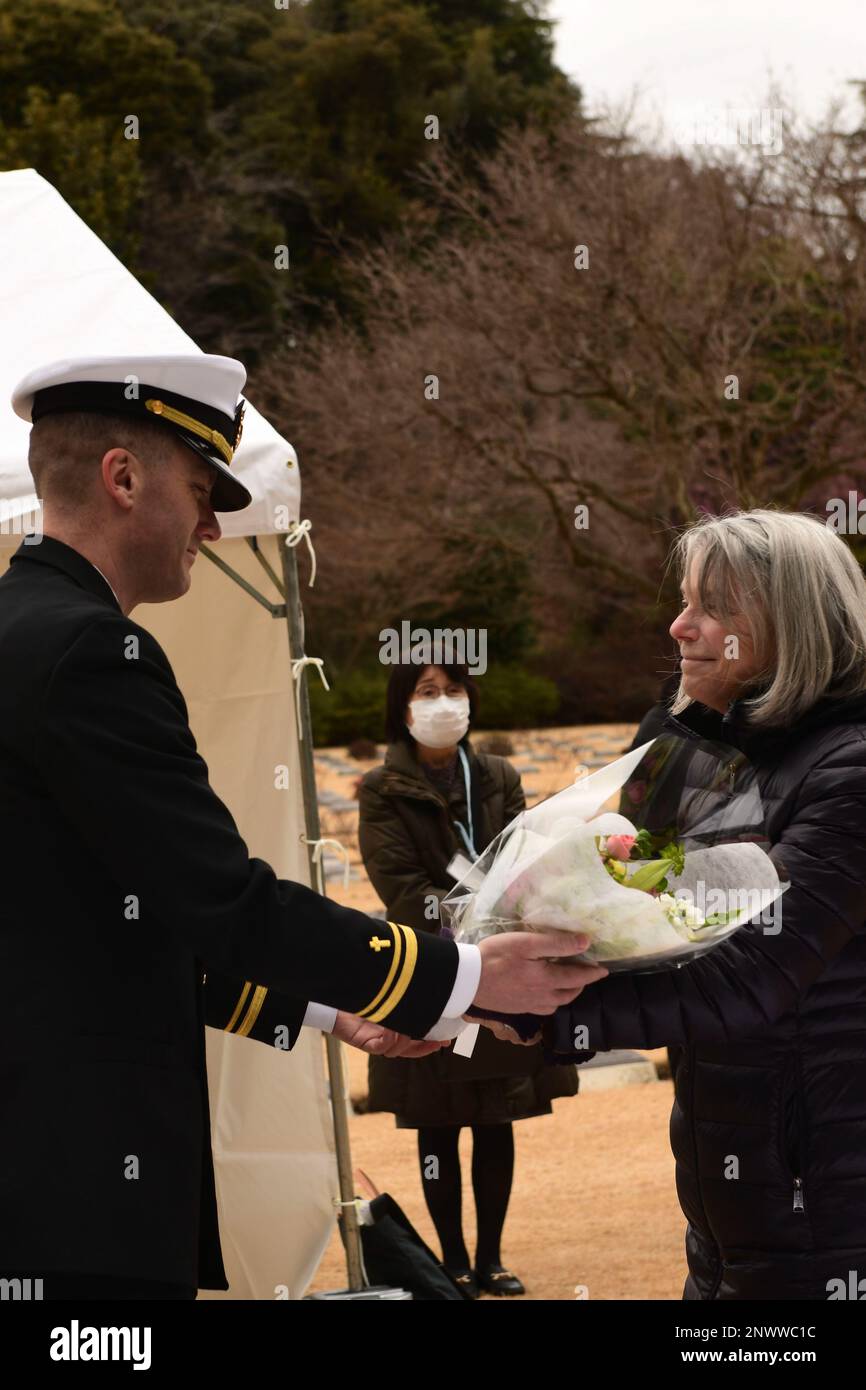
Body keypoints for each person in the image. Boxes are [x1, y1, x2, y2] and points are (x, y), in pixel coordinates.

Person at [0, 353, 607, 1300]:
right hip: (70, 1193)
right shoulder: (91, 648)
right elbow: (221, 902)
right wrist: (472, 976)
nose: (211, 524)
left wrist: (337, 1009)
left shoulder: (20, 627)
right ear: (122, 479)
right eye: (200, 491)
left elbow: (122, 927)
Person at [485, 508, 866, 1300]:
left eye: (711, 606)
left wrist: (537, 1011)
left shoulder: (850, 769)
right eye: (685, 599)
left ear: (787, 624)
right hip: (727, 1181)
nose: (679, 624)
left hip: (827, 1198)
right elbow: (629, 879)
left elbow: (752, 975)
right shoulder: (703, 746)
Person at [358, 663, 579, 1297]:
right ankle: (451, 1258)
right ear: (402, 708)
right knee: (437, 1118)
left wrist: (507, 913)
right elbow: (400, 887)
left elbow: (522, 856)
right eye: (426, 693)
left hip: (499, 968)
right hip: (432, 969)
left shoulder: (497, 777)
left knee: (495, 1115)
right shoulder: (383, 788)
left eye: (453, 690)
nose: (444, 703)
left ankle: (492, 1256)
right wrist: (472, 919)